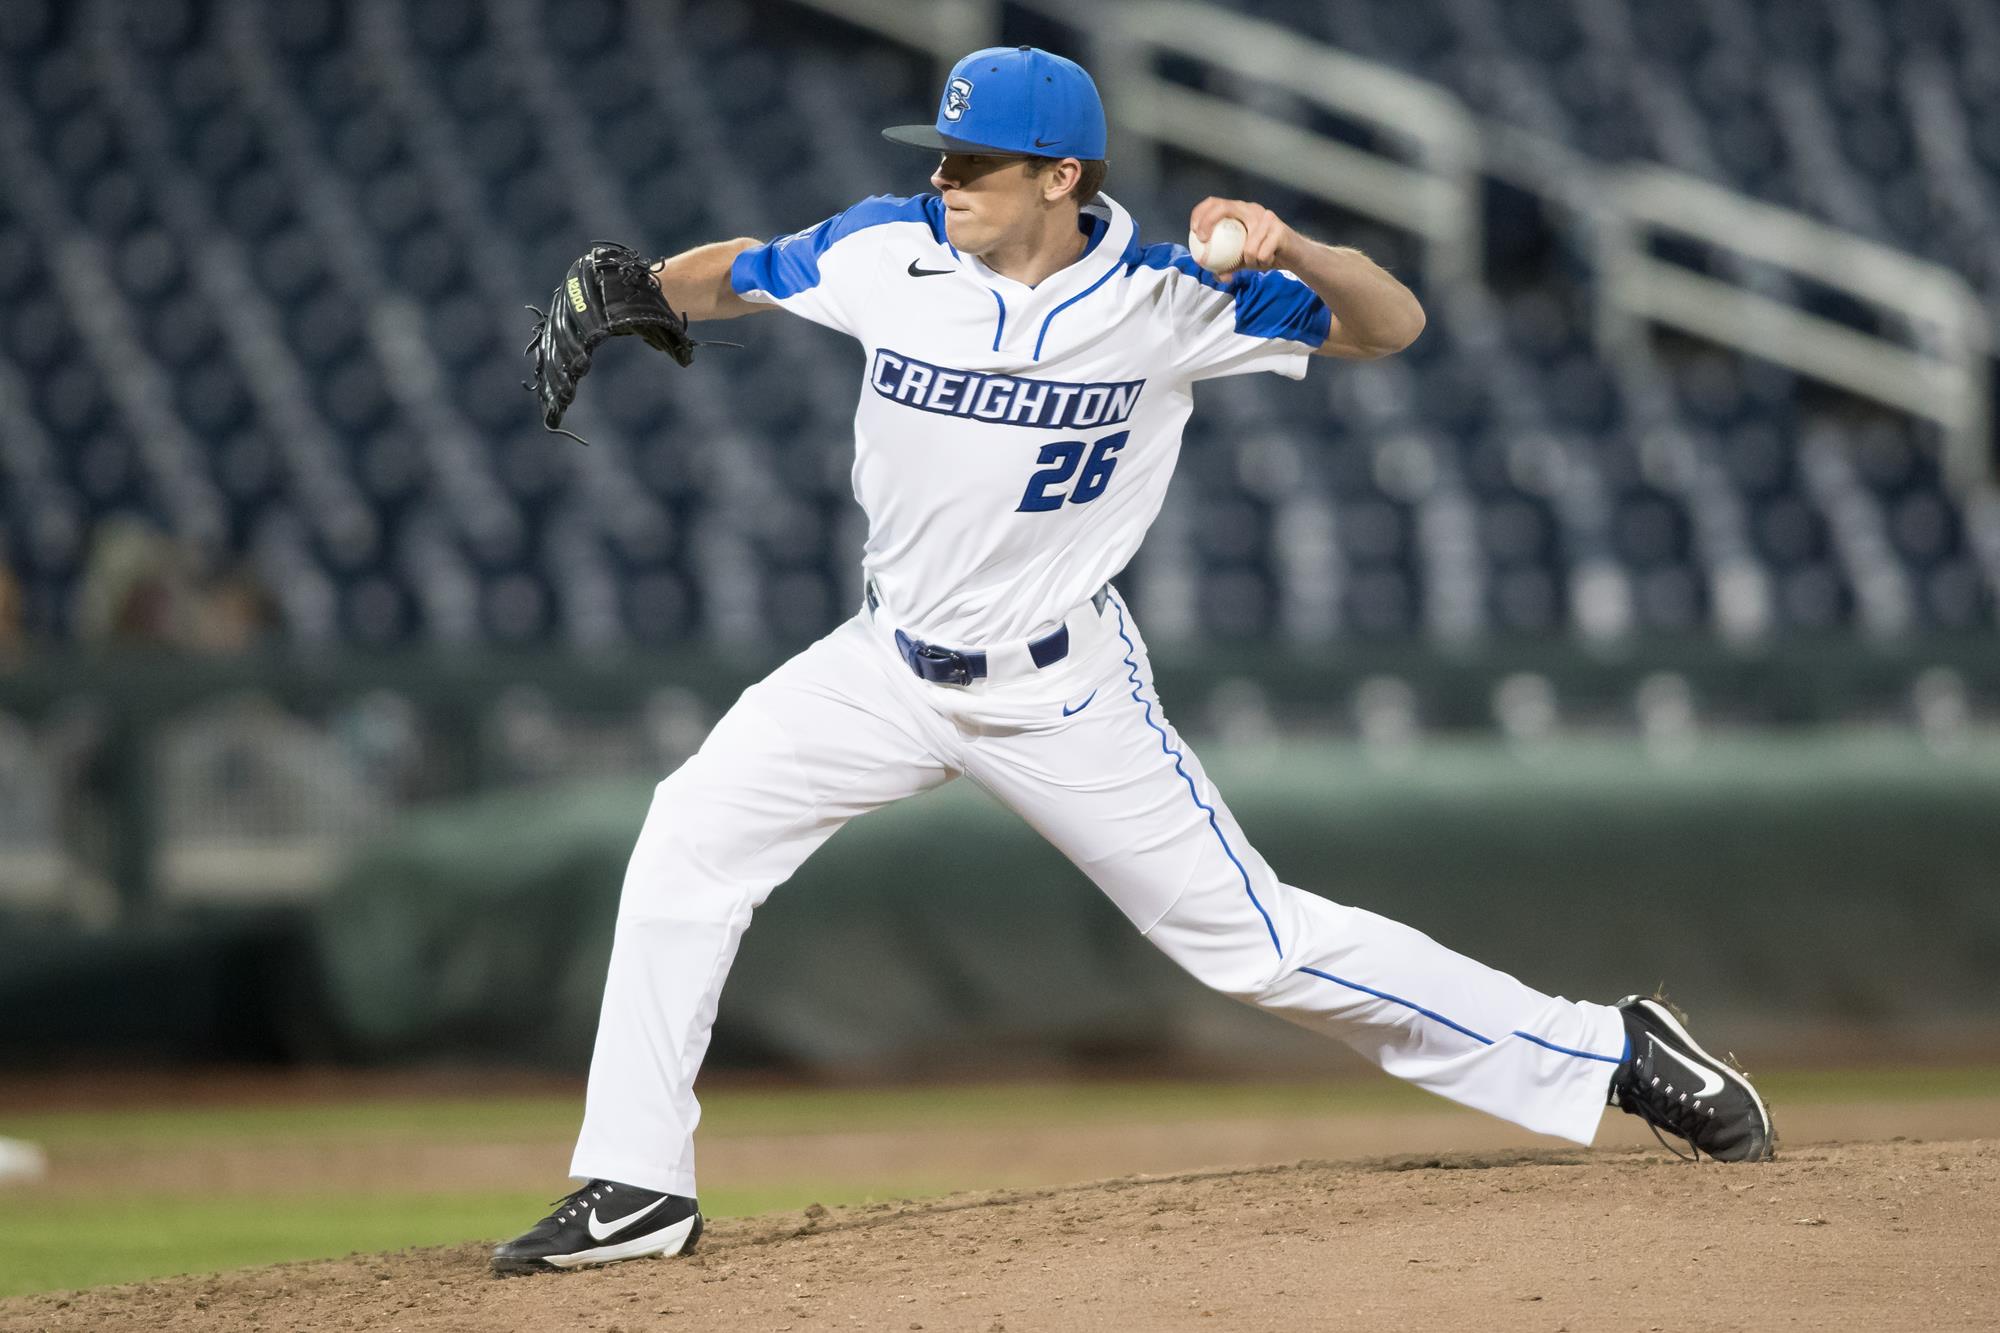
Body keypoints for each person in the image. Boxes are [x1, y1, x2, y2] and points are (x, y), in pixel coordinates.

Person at [492, 45, 1773, 1275]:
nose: (943, 182)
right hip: (880, 665)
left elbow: (1389, 326)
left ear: (1060, 179)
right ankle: (637, 1182)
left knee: (1259, 949)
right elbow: (755, 270)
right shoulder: (887, 245)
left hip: (1060, 690)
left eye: (971, 165)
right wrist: (644, 285)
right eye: (939, 159)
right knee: (690, 835)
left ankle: (1607, 1049)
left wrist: (1292, 248)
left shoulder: (1169, 297)